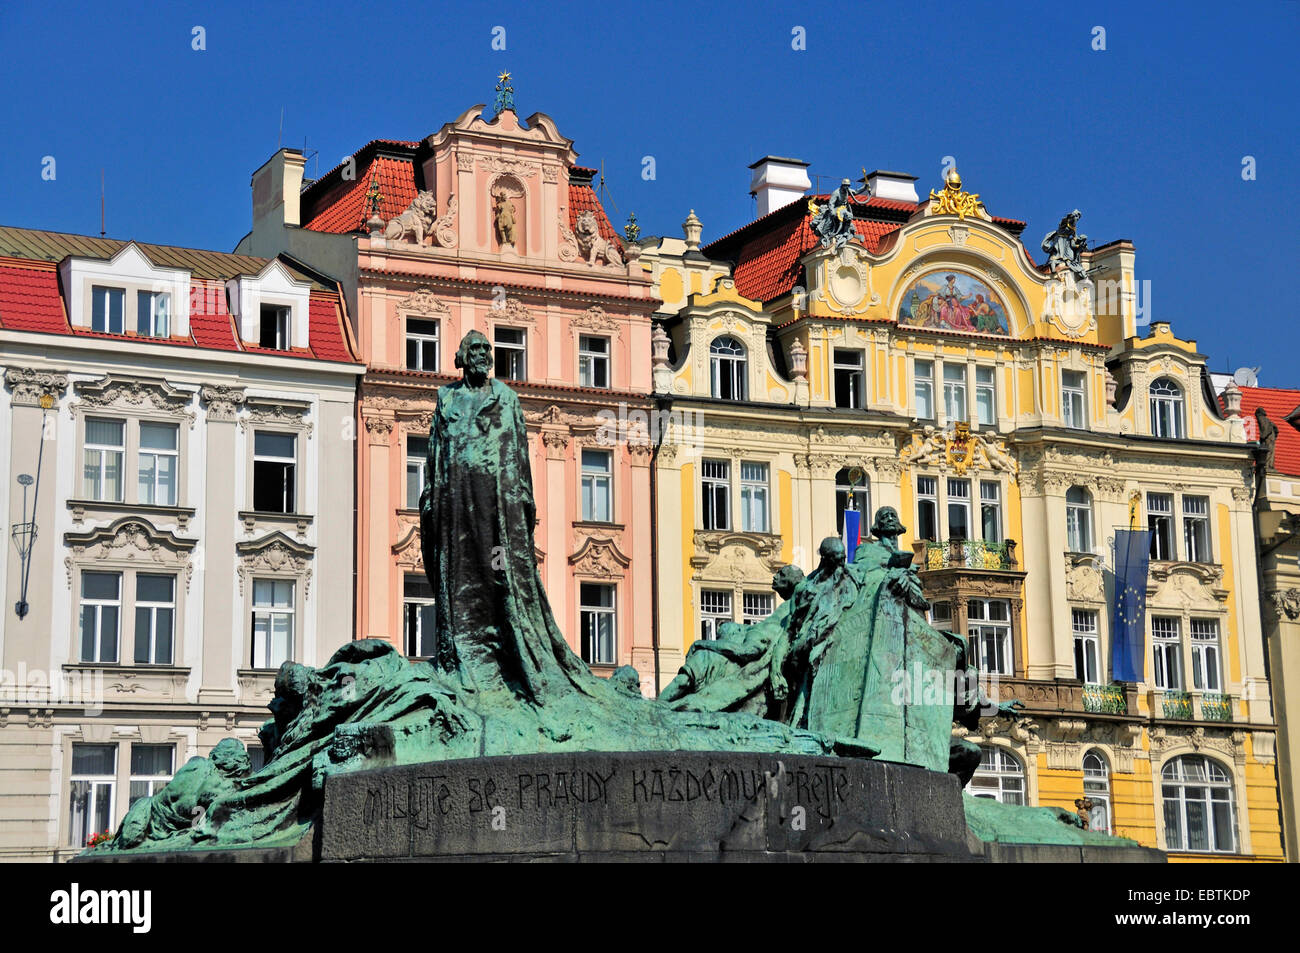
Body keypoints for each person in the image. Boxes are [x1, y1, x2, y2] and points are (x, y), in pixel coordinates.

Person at [420, 329, 596, 701]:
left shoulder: (507, 399)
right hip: (455, 505)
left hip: (497, 506)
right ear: (462, 356)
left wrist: (524, 503)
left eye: (487, 348)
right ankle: (460, 658)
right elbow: (434, 451)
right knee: (459, 576)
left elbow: (518, 454)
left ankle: (505, 658)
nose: (483, 354)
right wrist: (431, 495)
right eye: (476, 349)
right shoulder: (446, 398)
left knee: (499, 574)